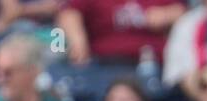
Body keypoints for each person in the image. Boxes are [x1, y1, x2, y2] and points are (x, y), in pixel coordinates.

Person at [56, 0, 184, 66]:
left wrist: (169, 14)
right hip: (106, 63)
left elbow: (184, 12)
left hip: (156, 62)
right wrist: (77, 40)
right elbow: (69, 13)